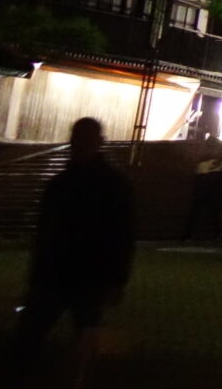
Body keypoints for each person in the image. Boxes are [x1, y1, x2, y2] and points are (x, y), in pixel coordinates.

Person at [14, 118, 135, 382]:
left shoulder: (62, 185)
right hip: (85, 275)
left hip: (65, 274)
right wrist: (117, 279)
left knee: (33, 338)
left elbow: (46, 233)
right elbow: (123, 236)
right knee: (79, 340)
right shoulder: (113, 185)